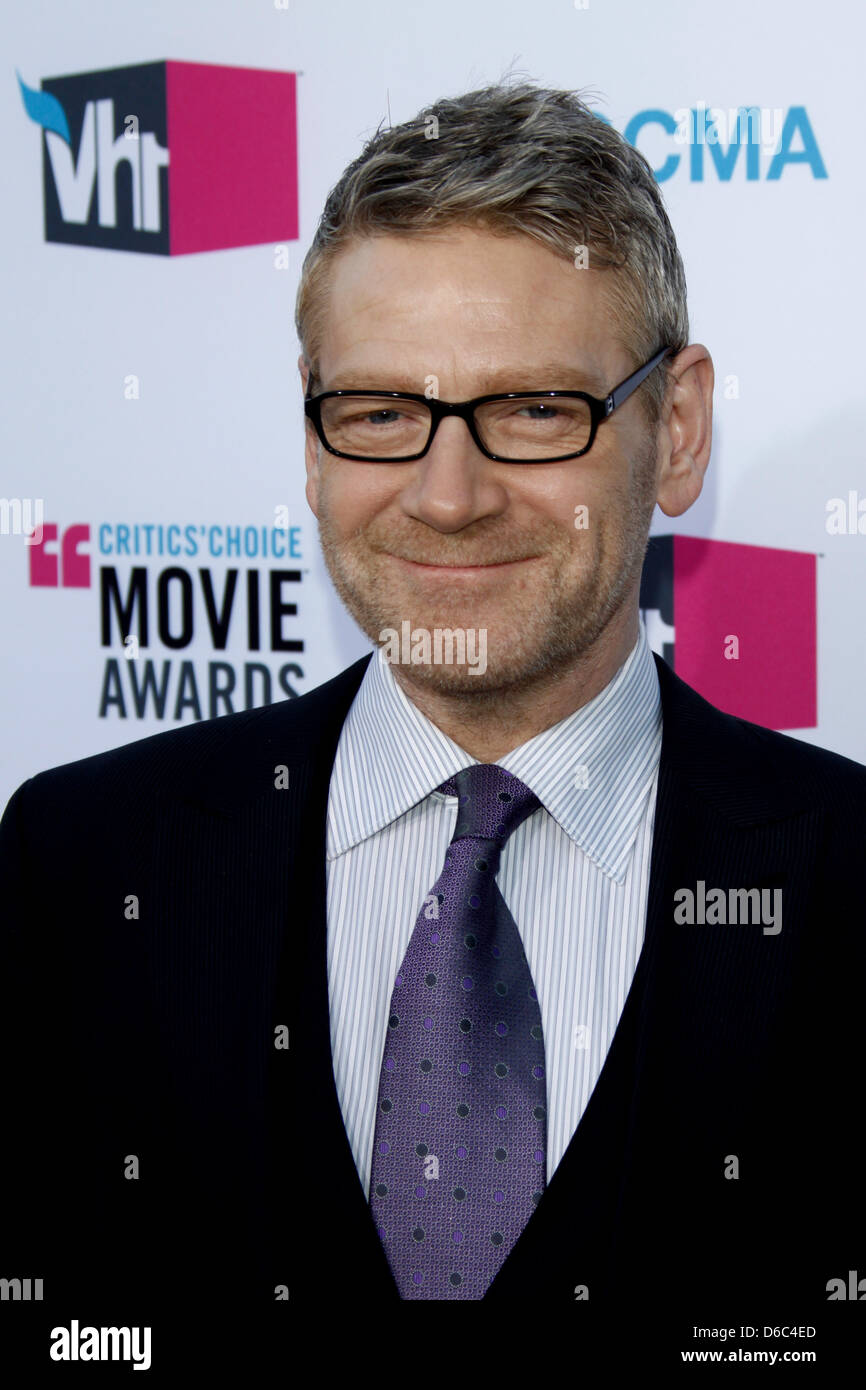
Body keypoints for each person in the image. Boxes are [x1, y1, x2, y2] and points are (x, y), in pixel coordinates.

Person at [1, 82, 863, 1365]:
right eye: (382, 415)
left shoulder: (848, 873)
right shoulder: (83, 860)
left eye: (531, 411)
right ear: (310, 438)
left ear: (674, 431)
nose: (446, 497)